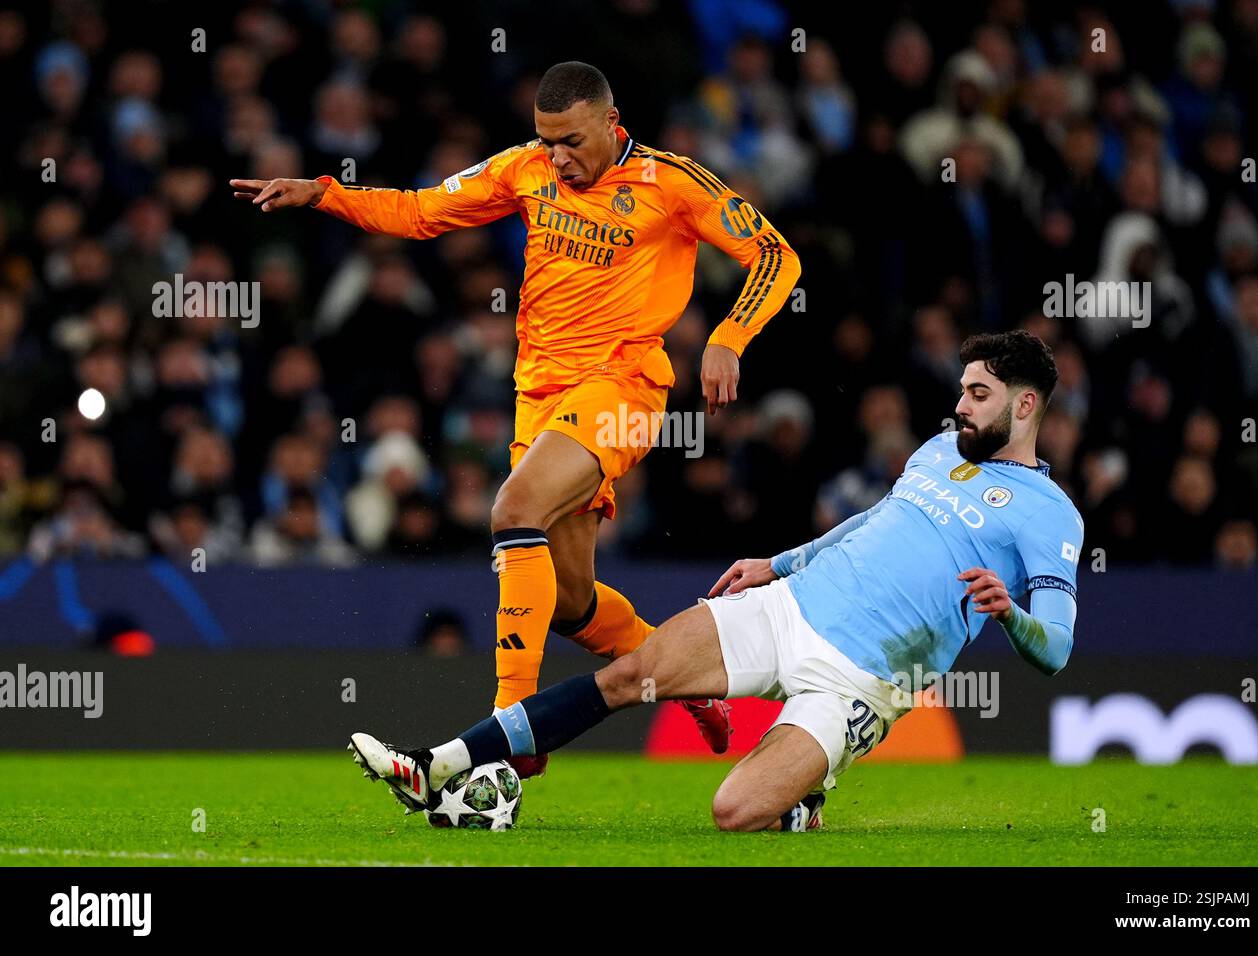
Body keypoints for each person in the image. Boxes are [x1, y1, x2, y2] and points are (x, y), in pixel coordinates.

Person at [233, 62, 803, 773]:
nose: (557, 155)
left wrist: (727, 338)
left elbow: (777, 256)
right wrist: (324, 193)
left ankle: (511, 732)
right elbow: (419, 212)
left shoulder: (672, 183)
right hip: (539, 396)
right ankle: (688, 684)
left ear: (610, 121)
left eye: (570, 140)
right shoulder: (525, 169)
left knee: (513, 511)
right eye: (546, 140)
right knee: (568, 603)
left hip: (622, 386)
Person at [350, 331, 1083, 831]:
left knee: (734, 813)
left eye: (979, 394)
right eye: (962, 389)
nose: (960, 404)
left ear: (1025, 406)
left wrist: (1010, 614)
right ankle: (436, 763)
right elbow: (870, 522)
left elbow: (1054, 648)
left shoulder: (1051, 517)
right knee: (629, 675)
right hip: (791, 606)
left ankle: (801, 798)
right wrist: (781, 563)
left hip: (859, 681)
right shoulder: (937, 449)